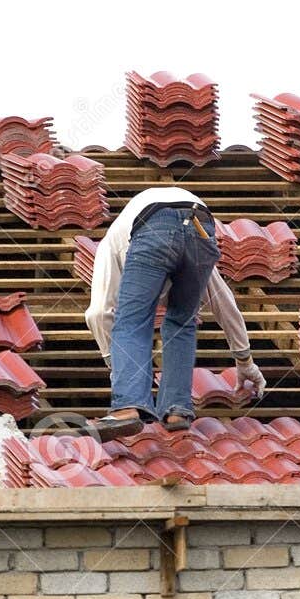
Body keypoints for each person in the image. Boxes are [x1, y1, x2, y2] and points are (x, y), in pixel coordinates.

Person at [84, 187, 266, 440]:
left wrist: (117, 368)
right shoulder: (119, 242)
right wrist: (244, 360)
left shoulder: (109, 247)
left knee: (131, 322)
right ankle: (177, 411)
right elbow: (224, 303)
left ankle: (127, 410)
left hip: (153, 222)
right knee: (182, 321)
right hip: (201, 225)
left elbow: (99, 313)